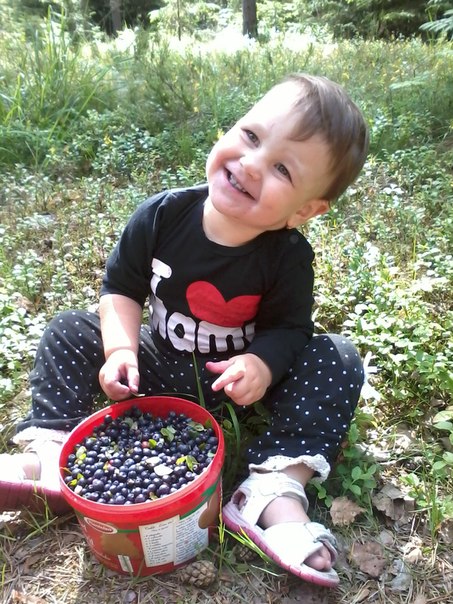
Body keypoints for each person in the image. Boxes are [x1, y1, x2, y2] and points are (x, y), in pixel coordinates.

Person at [0, 73, 368, 587]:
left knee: (338, 358)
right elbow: (121, 289)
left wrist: (261, 365)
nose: (252, 164)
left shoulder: (287, 257)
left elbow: (289, 329)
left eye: (282, 168)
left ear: (304, 210)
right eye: (251, 136)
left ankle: (273, 491)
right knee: (67, 330)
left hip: (236, 390)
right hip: (155, 366)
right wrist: (121, 350)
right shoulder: (162, 215)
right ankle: (50, 458)